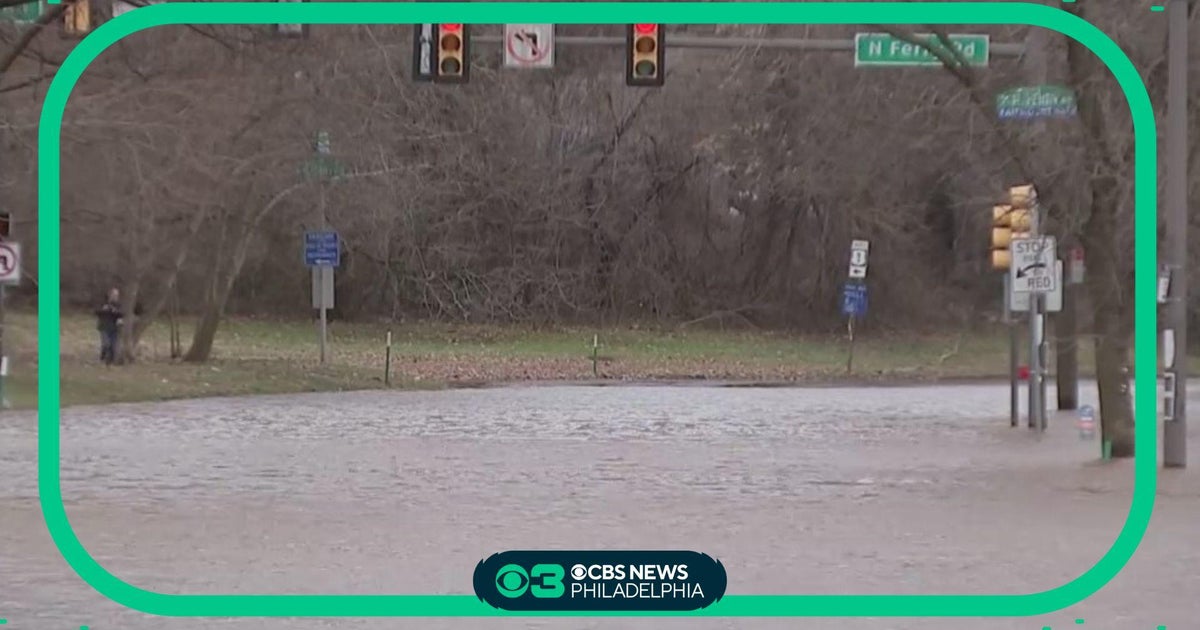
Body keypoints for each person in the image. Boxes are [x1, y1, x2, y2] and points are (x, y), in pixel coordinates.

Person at [95, 287, 124, 366]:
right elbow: (96, 311)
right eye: (114, 295)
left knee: (113, 346)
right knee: (106, 344)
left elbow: (121, 314)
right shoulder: (103, 303)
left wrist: (115, 311)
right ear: (110, 295)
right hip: (104, 327)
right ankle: (102, 358)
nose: (115, 297)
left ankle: (109, 363)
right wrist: (104, 309)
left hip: (114, 328)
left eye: (117, 295)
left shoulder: (118, 305)